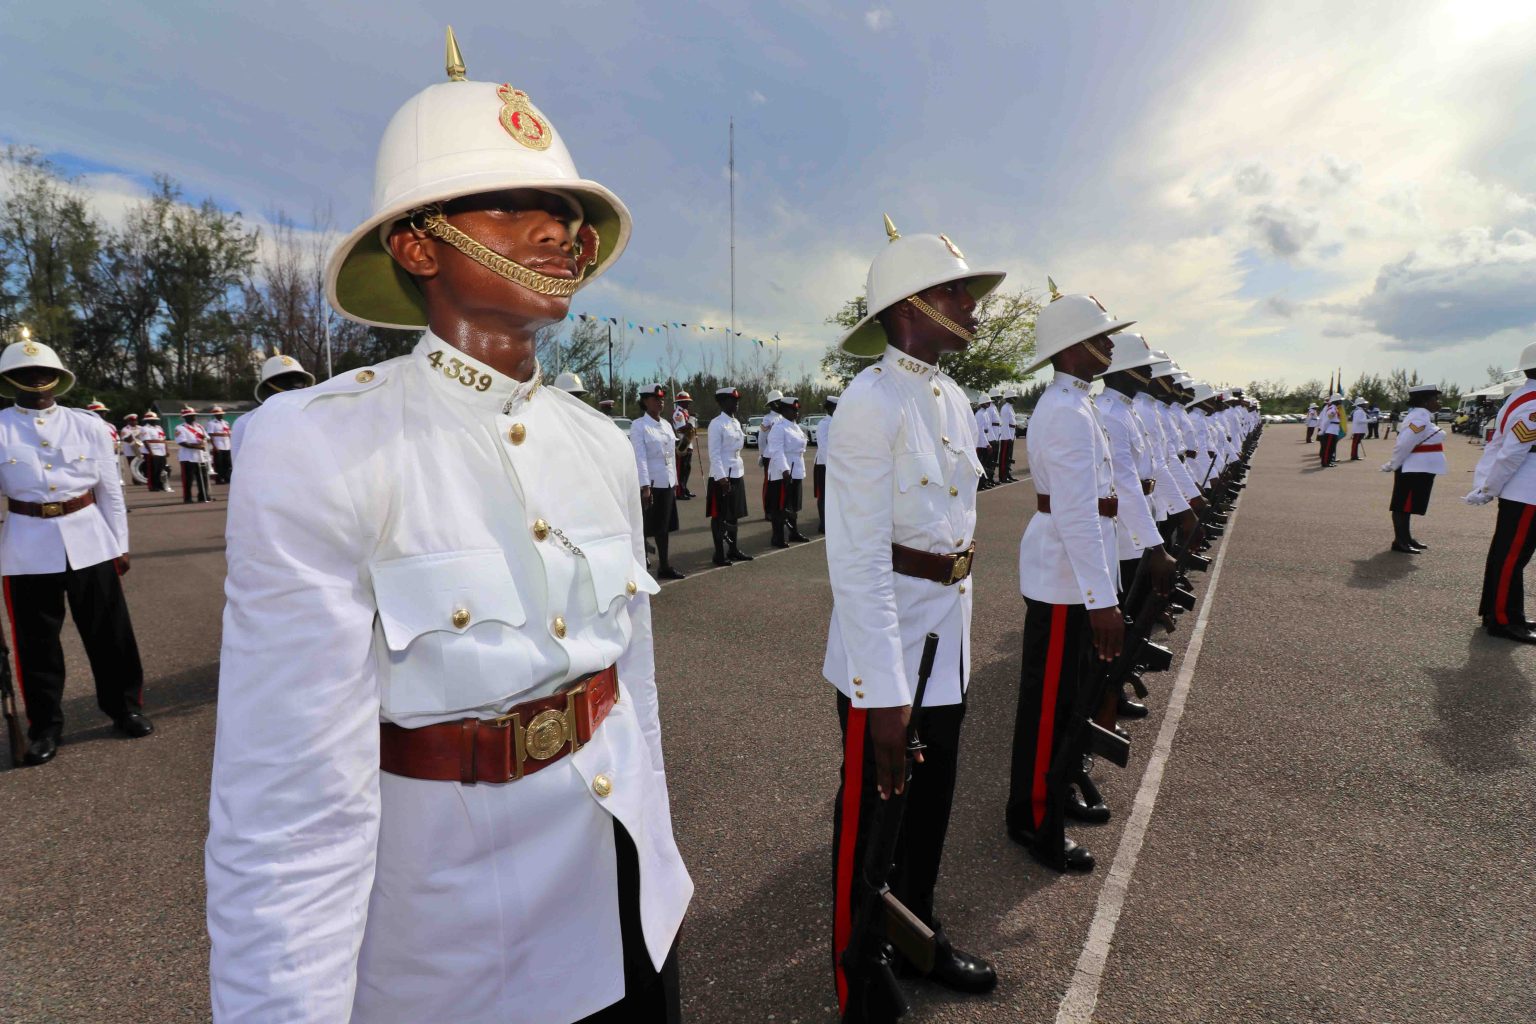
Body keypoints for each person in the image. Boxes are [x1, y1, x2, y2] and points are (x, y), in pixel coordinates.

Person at [206, 31, 691, 1023]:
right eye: (513, 206)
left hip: (626, 895)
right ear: (418, 245)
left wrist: (662, 857)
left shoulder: (599, 442)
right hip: (467, 953)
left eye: (562, 211)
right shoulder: (320, 446)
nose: (557, 233)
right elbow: (292, 815)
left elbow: (629, 688)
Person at [825, 216, 1002, 1020]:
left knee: (929, 809)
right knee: (873, 818)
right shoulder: (870, 402)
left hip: (946, 638)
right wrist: (881, 692)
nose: (974, 305)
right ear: (914, 303)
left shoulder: (953, 396)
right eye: (959, 291)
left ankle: (916, 937)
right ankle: (859, 978)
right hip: (890, 649)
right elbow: (856, 558)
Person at [1007, 281, 1133, 875]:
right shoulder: (1065, 410)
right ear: (1071, 347)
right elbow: (1078, 514)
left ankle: (1044, 799)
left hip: (1075, 572)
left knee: (1062, 703)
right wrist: (1102, 600)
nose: (1109, 344)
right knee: (1049, 706)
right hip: (1065, 578)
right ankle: (1035, 818)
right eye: (1100, 335)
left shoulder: (1077, 402)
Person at [0, 338, 151, 767]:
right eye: (24, 375)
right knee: (36, 644)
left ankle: (125, 708)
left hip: (90, 539)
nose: (35, 381)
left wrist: (119, 544)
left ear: (59, 379)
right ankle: (45, 726)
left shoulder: (87, 425)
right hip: (27, 544)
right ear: (9, 381)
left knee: (110, 634)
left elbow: (110, 491)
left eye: (42, 373)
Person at [1466, 342, 1536, 644]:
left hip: (1522, 490)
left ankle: (1500, 612)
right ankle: (1503, 620)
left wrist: (1485, 484)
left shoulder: (1519, 396)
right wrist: (1488, 488)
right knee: (1511, 559)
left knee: (1506, 556)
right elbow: (1510, 453)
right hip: (1528, 491)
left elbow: (1495, 446)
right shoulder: (1533, 404)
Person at [1382, 384, 1445, 554]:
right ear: (1425, 401)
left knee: (1408, 505)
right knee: (1402, 505)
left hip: (1418, 467)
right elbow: (1404, 444)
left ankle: (1406, 538)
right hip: (1412, 468)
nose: (1438, 403)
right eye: (1435, 399)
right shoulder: (1418, 418)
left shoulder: (1422, 416)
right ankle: (1400, 541)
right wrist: (1394, 464)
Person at [632, 382, 685, 580]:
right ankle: (641, 565)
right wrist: (645, 487)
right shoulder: (639, 426)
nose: (660, 402)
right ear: (645, 401)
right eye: (656, 399)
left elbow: (672, 454)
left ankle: (664, 565)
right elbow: (640, 457)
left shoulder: (666, 425)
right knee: (645, 527)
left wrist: (685, 442)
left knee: (664, 528)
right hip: (652, 484)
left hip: (668, 482)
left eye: (662, 399)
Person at [231, 352, 317, 460]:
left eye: (298, 380)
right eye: (284, 381)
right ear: (268, 387)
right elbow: (240, 471)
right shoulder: (246, 423)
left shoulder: (315, 417)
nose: (294, 386)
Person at [707, 385, 753, 566]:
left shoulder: (735, 423)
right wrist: (722, 478)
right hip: (722, 476)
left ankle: (733, 549)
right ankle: (719, 553)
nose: (736, 403)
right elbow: (714, 454)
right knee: (719, 516)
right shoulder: (716, 424)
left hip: (736, 471)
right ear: (723, 402)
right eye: (732, 400)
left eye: (737, 400)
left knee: (733, 515)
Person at [764, 395, 810, 547]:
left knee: (793, 505)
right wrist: (785, 470)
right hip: (782, 472)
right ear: (784, 410)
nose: (796, 413)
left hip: (796, 469)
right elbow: (776, 451)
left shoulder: (795, 426)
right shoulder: (779, 427)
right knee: (780, 507)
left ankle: (793, 532)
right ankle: (777, 537)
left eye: (797, 410)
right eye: (792, 410)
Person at [175, 406, 212, 504]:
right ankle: (187, 498)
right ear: (185, 417)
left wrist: (205, 441)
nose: (193, 417)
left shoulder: (199, 427)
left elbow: (207, 438)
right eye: (190, 416)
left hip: (200, 457)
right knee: (188, 480)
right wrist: (198, 446)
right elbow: (182, 442)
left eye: (194, 415)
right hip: (188, 457)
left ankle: (204, 496)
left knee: (203, 478)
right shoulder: (180, 428)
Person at [814, 393, 838, 533]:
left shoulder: (838, 422)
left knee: (833, 495)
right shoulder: (824, 424)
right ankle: (823, 524)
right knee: (823, 495)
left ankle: (831, 521)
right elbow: (824, 447)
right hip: (824, 465)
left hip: (835, 465)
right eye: (836, 407)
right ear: (829, 409)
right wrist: (832, 467)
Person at [759, 389, 783, 518]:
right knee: (768, 483)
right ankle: (768, 510)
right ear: (773, 404)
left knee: (779, 483)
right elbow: (762, 438)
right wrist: (761, 454)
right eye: (779, 402)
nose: (781, 404)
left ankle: (778, 508)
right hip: (770, 455)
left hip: (781, 455)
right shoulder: (767, 419)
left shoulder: (783, 417)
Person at [671, 391, 697, 500]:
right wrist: (691, 423)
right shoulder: (678, 413)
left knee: (687, 468)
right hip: (682, 444)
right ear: (680, 402)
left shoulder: (685, 412)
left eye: (688, 402)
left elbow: (690, 429)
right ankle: (679, 492)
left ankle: (684, 488)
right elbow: (681, 428)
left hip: (688, 443)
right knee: (681, 470)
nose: (688, 404)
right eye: (686, 402)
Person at [138, 411, 169, 490]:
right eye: (152, 419)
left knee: (161, 469)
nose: (155, 420)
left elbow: (163, 440)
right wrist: (151, 452)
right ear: (148, 420)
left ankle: (160, 485)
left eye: (155, 419)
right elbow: (145, 441)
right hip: (152, 452)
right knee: (152, 470)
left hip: (161, 452)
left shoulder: (159, 428)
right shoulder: (145, 429)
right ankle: (152, 486)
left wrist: (166, 450)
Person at [205, 406, 233, 483]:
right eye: (219, 414)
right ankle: (219, 479)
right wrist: (214, 446)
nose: (221, 415)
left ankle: (227, 477)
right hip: (218, 445)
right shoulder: (211, 423)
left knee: (227, 463)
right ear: (215, 415)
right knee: (218, 463)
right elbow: (210, 434)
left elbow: (229, 433)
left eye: (221, 414)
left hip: (227, 445)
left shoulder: (225, 423)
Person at [1317, 393, 1344, 468]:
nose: (1341, 402)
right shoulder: (1332, 408)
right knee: (1328, 448)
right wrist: (1323, 430)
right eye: (1340, 400)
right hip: (1330, 430)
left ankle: (1329, 462)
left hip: (1334, 430)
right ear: (1336, 401)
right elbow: (1326, 420)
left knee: (1331, 448)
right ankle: (1325, 462)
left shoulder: (1335, 408)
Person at [998, 388, 1018, 482]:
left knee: (1009, 457)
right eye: (1014, 397)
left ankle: (1007, 473)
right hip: (1006, 436)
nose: (1015, 399)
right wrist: (1008, 437)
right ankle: (1003, 476)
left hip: (1011, 435)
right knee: (1004, 457)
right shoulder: (1005, 408)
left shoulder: (1010, 407)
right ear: (1009, 398)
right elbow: (1005, 424)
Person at [119, 412, 141, 483]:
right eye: (132, 420)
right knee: (133, 465)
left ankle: (141, 478)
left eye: (135, 420)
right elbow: (125, 439)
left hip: (140, 450)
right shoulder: (125, 429)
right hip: (130, 451)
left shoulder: (141, 428)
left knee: (141, 465)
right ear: (128, 421)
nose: (134, 422)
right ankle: (136, 480)